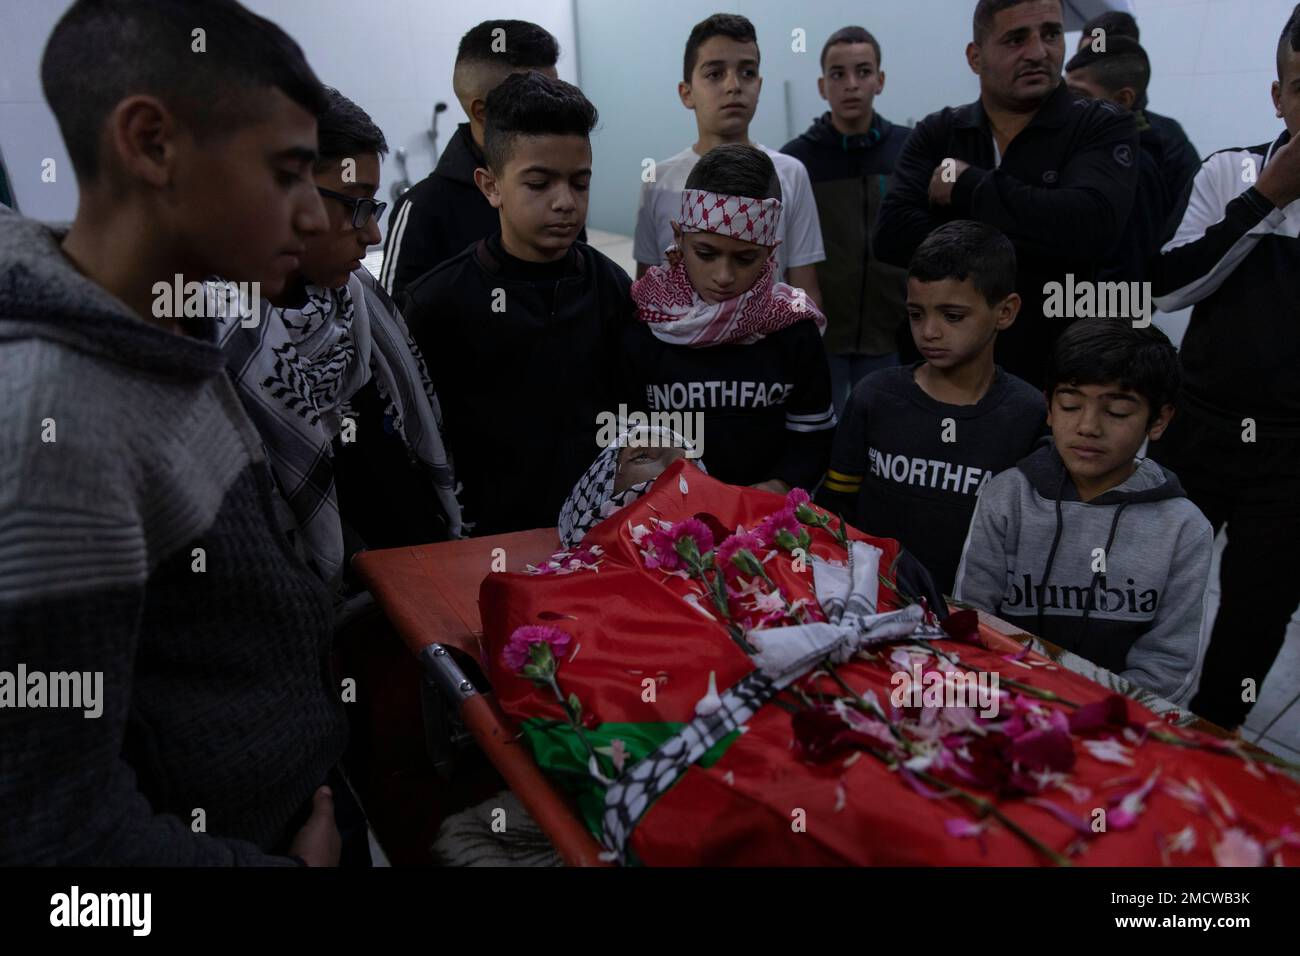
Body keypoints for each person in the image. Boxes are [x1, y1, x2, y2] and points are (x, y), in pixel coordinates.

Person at [0, 0, 349, 865]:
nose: (315, 217)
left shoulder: (170, 330)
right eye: (287, 173)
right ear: (152, 143)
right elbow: (59, 848)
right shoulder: (56, 427)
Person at [217, 87, 462, 591]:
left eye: (374, 208)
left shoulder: (354, 300)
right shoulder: (211, 345)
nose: (372, 234)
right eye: (355, 208)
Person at [1145, 4, 1300, 730]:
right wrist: (1265, 198)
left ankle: (1213, 745)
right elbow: (1169, 288)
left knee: (1256, 615)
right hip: (1200, 424)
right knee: (1145, 582)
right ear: (1278, 95)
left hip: (1293, 453)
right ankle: (1119, 717)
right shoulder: (1229, 170)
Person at [402, 71, 631, 536]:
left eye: (579, 183)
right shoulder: (437, 305)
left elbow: (634, 416)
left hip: (597, 537)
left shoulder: (610, 287)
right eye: (539, 183)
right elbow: (418, 447)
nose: (565, 202)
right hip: (482, 545)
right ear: (491, 186)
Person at [874, 0, 1138, 387]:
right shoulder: (940, 132)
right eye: (1016, 39)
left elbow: (1090, 225)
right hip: (943, 378)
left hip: (1057, 377)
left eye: (1050, 34)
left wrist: (968, 188)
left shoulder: (1100, 125)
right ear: (975, 57)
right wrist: (1035, 232)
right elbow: (892, 235)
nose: (1037, 52)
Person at [954, 319, 1212, 708]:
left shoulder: (1185, 529)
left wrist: (1097, 715)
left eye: (1118, 412)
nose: (1088, 426)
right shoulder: (1007, 496)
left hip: (1113, 722)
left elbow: (1168, 664)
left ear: (1158, 420)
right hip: (1005, 699)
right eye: (1071, 405)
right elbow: (974, 618)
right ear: (1050, 408)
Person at [819, 221, 1046, 595]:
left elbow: (1032, 541)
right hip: (871, 603)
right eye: (916, 314)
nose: (929, 332)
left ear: (1005, 312)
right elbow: (833, 512)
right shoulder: (874, 397)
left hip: (978, 620)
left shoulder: (1030, 414)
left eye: (952, 316)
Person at [622, 144, 835, 494]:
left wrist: (778, 487)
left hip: (768, 523)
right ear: (679, 237)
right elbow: (628, 438)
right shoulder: (646, 325)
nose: (723, 276)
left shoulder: (792, 328)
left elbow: (814, 436)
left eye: (745, 258)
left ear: (770, 253)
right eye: (705, 253)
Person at [633, 13, 825, 308]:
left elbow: (804, 289)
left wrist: (803, 349)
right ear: (686, 93)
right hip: (677, 351)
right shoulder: (658, 181)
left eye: (747, 73)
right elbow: (647, 290)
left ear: (759, 86)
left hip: (767, 347)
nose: (734, 85)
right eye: (715, 74)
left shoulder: (790, 173)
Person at [379, 19, 568, 300]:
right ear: (482, 112)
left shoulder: (563, 188)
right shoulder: (423, 209)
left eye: (558, 95)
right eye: (536, 100)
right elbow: (397, 325)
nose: (556, 111)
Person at [781, 26, 911, 415]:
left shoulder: (909, 151)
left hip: (894, 334)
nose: (851, 84)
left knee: (890, 435)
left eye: (863, 71)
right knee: (824, 439)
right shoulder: (797, 161)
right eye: (838, 74)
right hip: (824, 336)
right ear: (823, 86)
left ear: (880, 80)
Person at [1065, 37, 1172, 282]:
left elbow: (1130, 267)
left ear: (1122, 100)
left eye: (1078, 95)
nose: (1065, 105)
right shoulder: (1079, 149)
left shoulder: (1137, 169)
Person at [1076, 9, 1201, 203]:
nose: (1084, 70)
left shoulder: (1166, 139)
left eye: (1101, 60)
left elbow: (1190, 210)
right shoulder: (1056, 128)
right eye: (1082, 59)